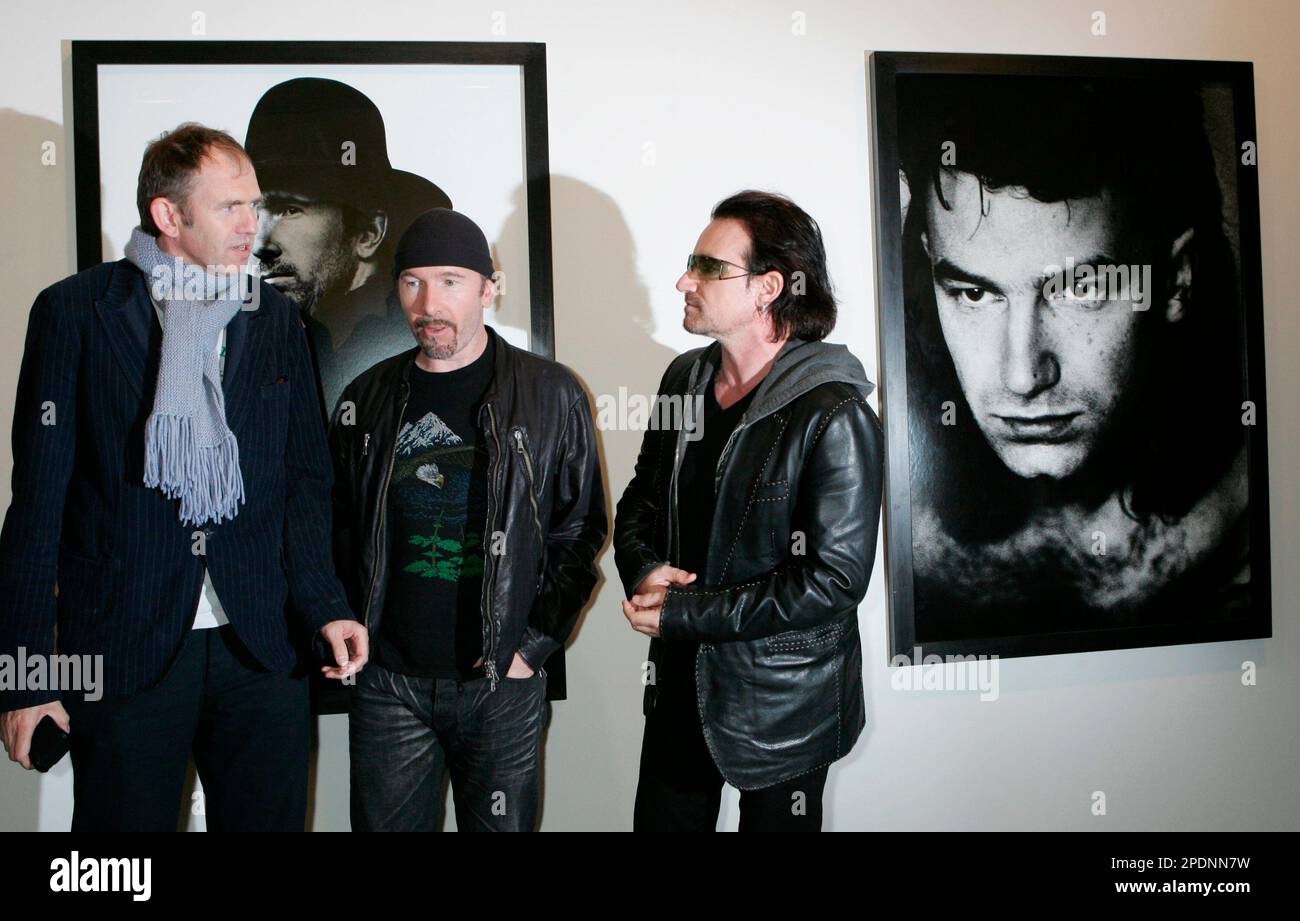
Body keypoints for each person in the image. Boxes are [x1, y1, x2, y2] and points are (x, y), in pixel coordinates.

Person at [0, 123, 367, 831]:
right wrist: (24, 673)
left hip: (259, 646)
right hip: (124, 645)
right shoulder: (75, 312)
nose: (251, 224)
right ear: (169, 215)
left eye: (254, 205)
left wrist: (325, 604)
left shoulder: (276, 319)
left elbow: (303, 483)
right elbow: (37, 504)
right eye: (230, 206)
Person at [896, 74, 1251, 639]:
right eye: (974, 293)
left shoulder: (1245, 499)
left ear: (1177, 280)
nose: (1022, 377)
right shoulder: (875, 481)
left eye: (1080, 290)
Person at [615, 190, 884, 831]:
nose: (685, 280)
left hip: (783, 705)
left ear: (768, 288)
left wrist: (687, 613)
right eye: (691, 262)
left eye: (708, 267)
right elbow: (642, 496)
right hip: (681, 681)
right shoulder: (684, 379)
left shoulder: (834, 411)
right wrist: (644, 568)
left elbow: (834, 580)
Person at [331, 208, 606, 831]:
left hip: (500, 683)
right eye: (412, 282)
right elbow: (337, 524)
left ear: (489, 288)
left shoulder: (551, 394)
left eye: (452, 280)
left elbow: (580, 531)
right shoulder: (365, 398)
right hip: (389, 683)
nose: (430, 302)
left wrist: (531, 648)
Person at [244, 77, 453, 413]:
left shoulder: (427, 349)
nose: (260, 243)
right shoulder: (251, 338)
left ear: (369, 232)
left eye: (290, 209)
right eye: (256, 209)